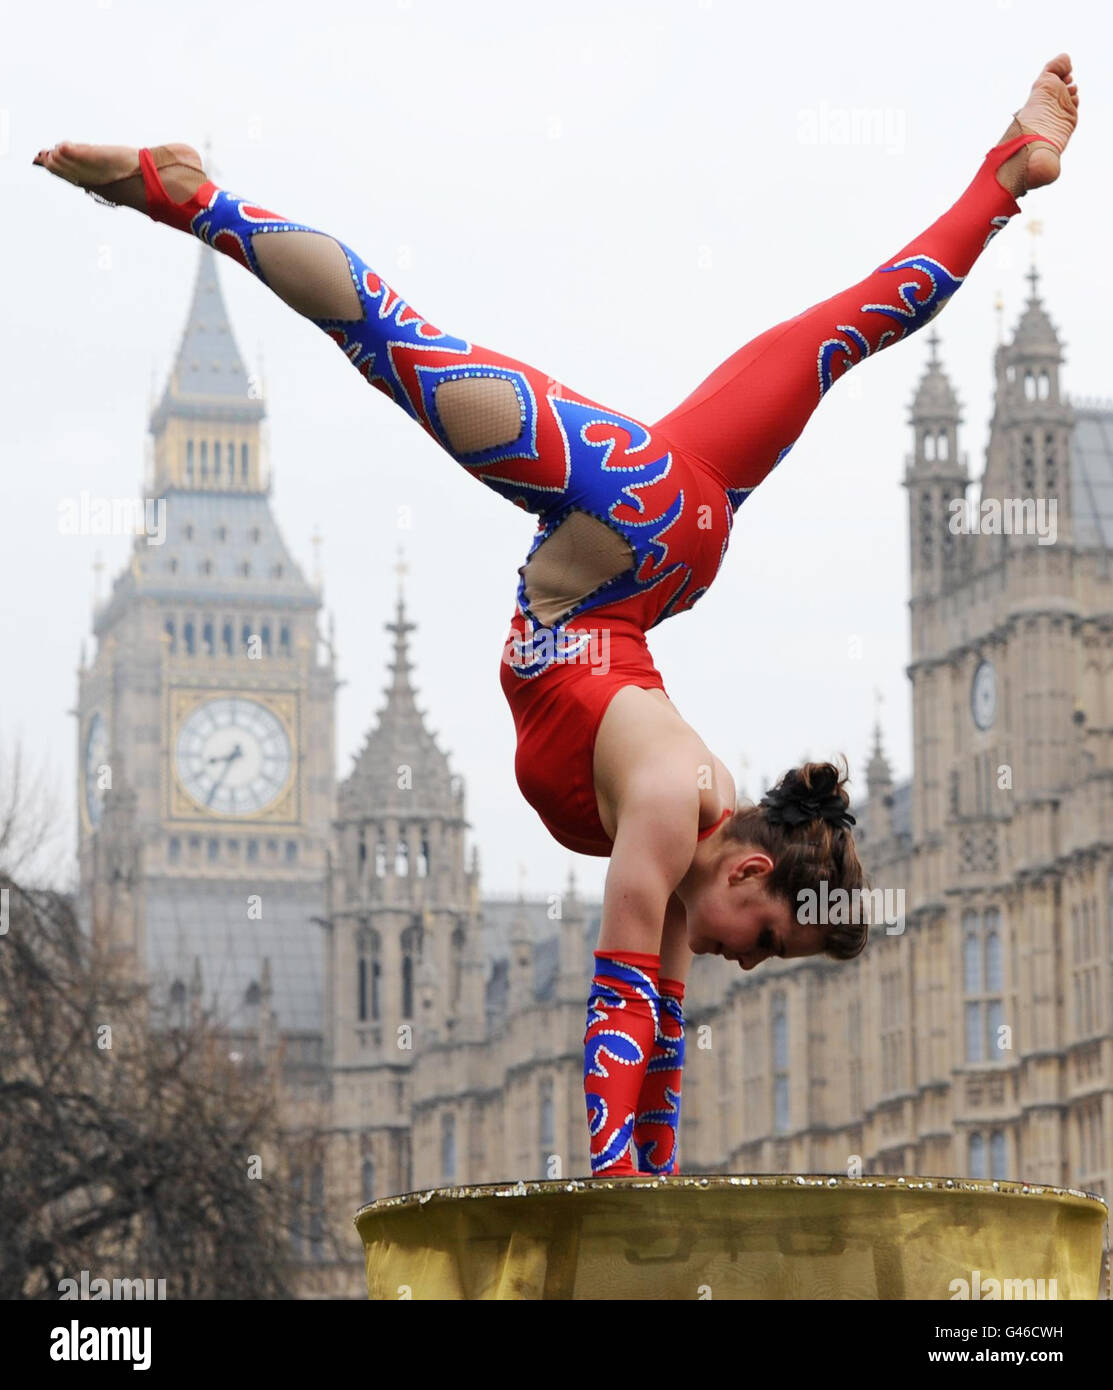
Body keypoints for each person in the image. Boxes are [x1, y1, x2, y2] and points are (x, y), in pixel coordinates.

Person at [35, 53, 1078, 1176]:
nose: (752, 963)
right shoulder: (679, 809)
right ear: (747, 874)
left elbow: (662, 1039)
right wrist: (619, 1192)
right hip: (625, 521)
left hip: (668, 544)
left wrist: (655, 1185)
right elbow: (620, 1005)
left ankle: (1006, 174)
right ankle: (192, 194)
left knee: (844, 332)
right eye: (769, 941)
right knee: (390, 340)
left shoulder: (694, 843)